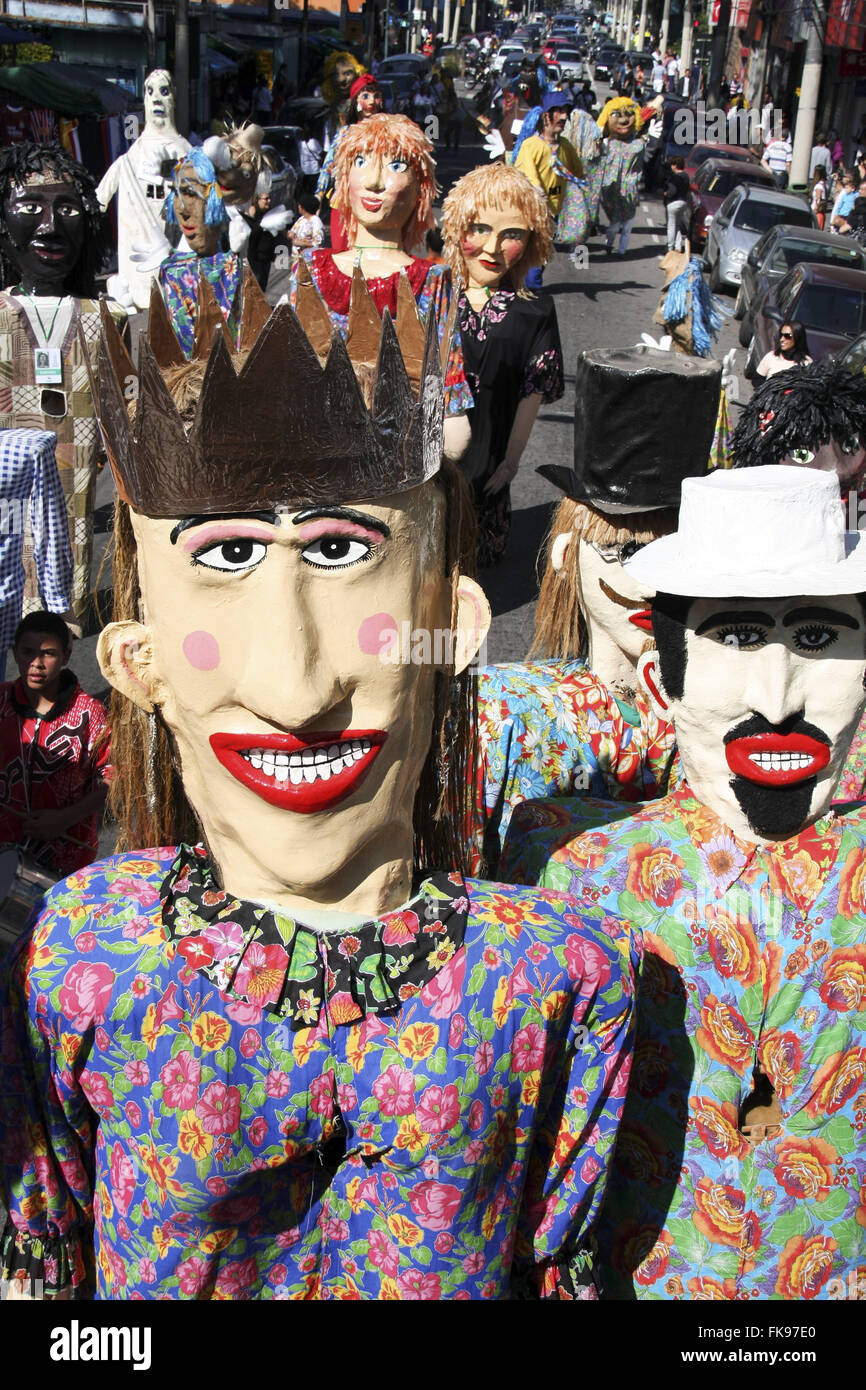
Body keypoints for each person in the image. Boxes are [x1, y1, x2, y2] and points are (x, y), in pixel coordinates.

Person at [0, 279, 636, 1301]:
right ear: (136, 659)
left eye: (341, 552)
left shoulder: (558, 977)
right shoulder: (85, 955)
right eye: (227, 556)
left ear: (453, 626)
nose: (296, 688)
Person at [505, 465, 866, 1299]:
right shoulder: (577, 877)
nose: (777, 699)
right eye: (736, 640)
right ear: (664, 684)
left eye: (817, 639)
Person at [473, 347, 723, 874]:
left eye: (675, 552)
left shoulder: (735, 712)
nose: (652, 586)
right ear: (567, 555)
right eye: (626, 552)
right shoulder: (502, 713)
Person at [290, 113, 473, 460]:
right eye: (361, 162)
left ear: (421, 189)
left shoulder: (432, 280)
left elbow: (450, 395)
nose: (374, 181)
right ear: (344, 179)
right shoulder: (311, 269)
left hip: (397, 458)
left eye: (395, 165)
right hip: (317, 453)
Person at [0, 143, 127, 624]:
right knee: (12, 536)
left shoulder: (104, 318)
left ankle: (61, 621)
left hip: (77, 459)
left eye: (68, 209)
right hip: (8, 469)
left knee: (71, 535)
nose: (50, 225)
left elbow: (124, 403)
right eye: (30, 208)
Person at [442, 164, 563, 567]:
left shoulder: (536, 312)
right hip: (426, 466)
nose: (493, 248)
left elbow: (534, 391)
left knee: (474, 581)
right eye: (478, 228)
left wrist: (512, 461)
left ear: (531, 241)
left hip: (489, 469)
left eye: (511, 234)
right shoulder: (429, 296)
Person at [0, 611, 110, 877]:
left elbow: (113, 776)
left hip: (68, 857)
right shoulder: (1, 701)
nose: (37, 663)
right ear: (15, 653)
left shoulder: (89, 712)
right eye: (28, 652)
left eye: (48, 653)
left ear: (66, 655)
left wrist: (65, 818)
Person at [96, 68, 191, 311]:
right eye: (150, 92)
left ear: (173, 97)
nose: (157, 98)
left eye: (164, 91)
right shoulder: (131, 157)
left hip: (174, 261)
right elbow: (100, 197)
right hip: (135, 266)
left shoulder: (186, 151)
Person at [513, 92, 583, 288]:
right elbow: (529, 175)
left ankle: (526, 288)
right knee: (533, 256)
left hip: (553, 213)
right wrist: (538, 193)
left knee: (540, 256)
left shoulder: (565, 146)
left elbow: (578, 171)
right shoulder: (531, 145)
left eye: (565, 111)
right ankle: (531, 293)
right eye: (558, 111)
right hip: (532, 213)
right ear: (546, 115)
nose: (563, 117)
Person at [316, 73, 384, 253]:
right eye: (366, 96)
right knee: (342, 253)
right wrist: (319, 194)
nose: (371, 101)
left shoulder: (387, 134)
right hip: (345, 202)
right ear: (355, 101)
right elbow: (329, 165)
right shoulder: (345, 133)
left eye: (376, 96)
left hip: (376, 200)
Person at [596, 95, 661, 257]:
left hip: (630, 192)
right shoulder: (607, 144)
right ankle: (609, 244)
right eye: (617, 115)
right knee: (614, 225)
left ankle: (621, 250)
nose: (624, 121)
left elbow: (648, 153)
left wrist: (652, 138)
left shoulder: (637, 145)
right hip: (611, 192)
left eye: (628, 115)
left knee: (627, 225)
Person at [662, 154, 690, 253]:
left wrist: (666, 194)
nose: (671, 167)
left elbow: (672, 191)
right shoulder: (686, 176)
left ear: (675, 165)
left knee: (671, 226)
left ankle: (670, 247)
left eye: (672, 165)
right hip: (683, 203)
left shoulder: (675, 177)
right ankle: (678, 246)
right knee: (677, 225)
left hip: (673, 203)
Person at [287, 192, 325, 260]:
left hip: (309, 259)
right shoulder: (301, 219)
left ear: (303, 208)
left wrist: (301, 243)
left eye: (299, 205)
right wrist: (290, 234)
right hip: (297, 258)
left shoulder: (316, 221)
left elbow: (318, 243)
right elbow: (293, 231)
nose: (298, 206)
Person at [811, 162, 829, 230]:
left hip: (817, 213)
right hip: (820, 213)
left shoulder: (818, 186)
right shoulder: (824, 185)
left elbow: (818, 200)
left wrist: (815, 210)